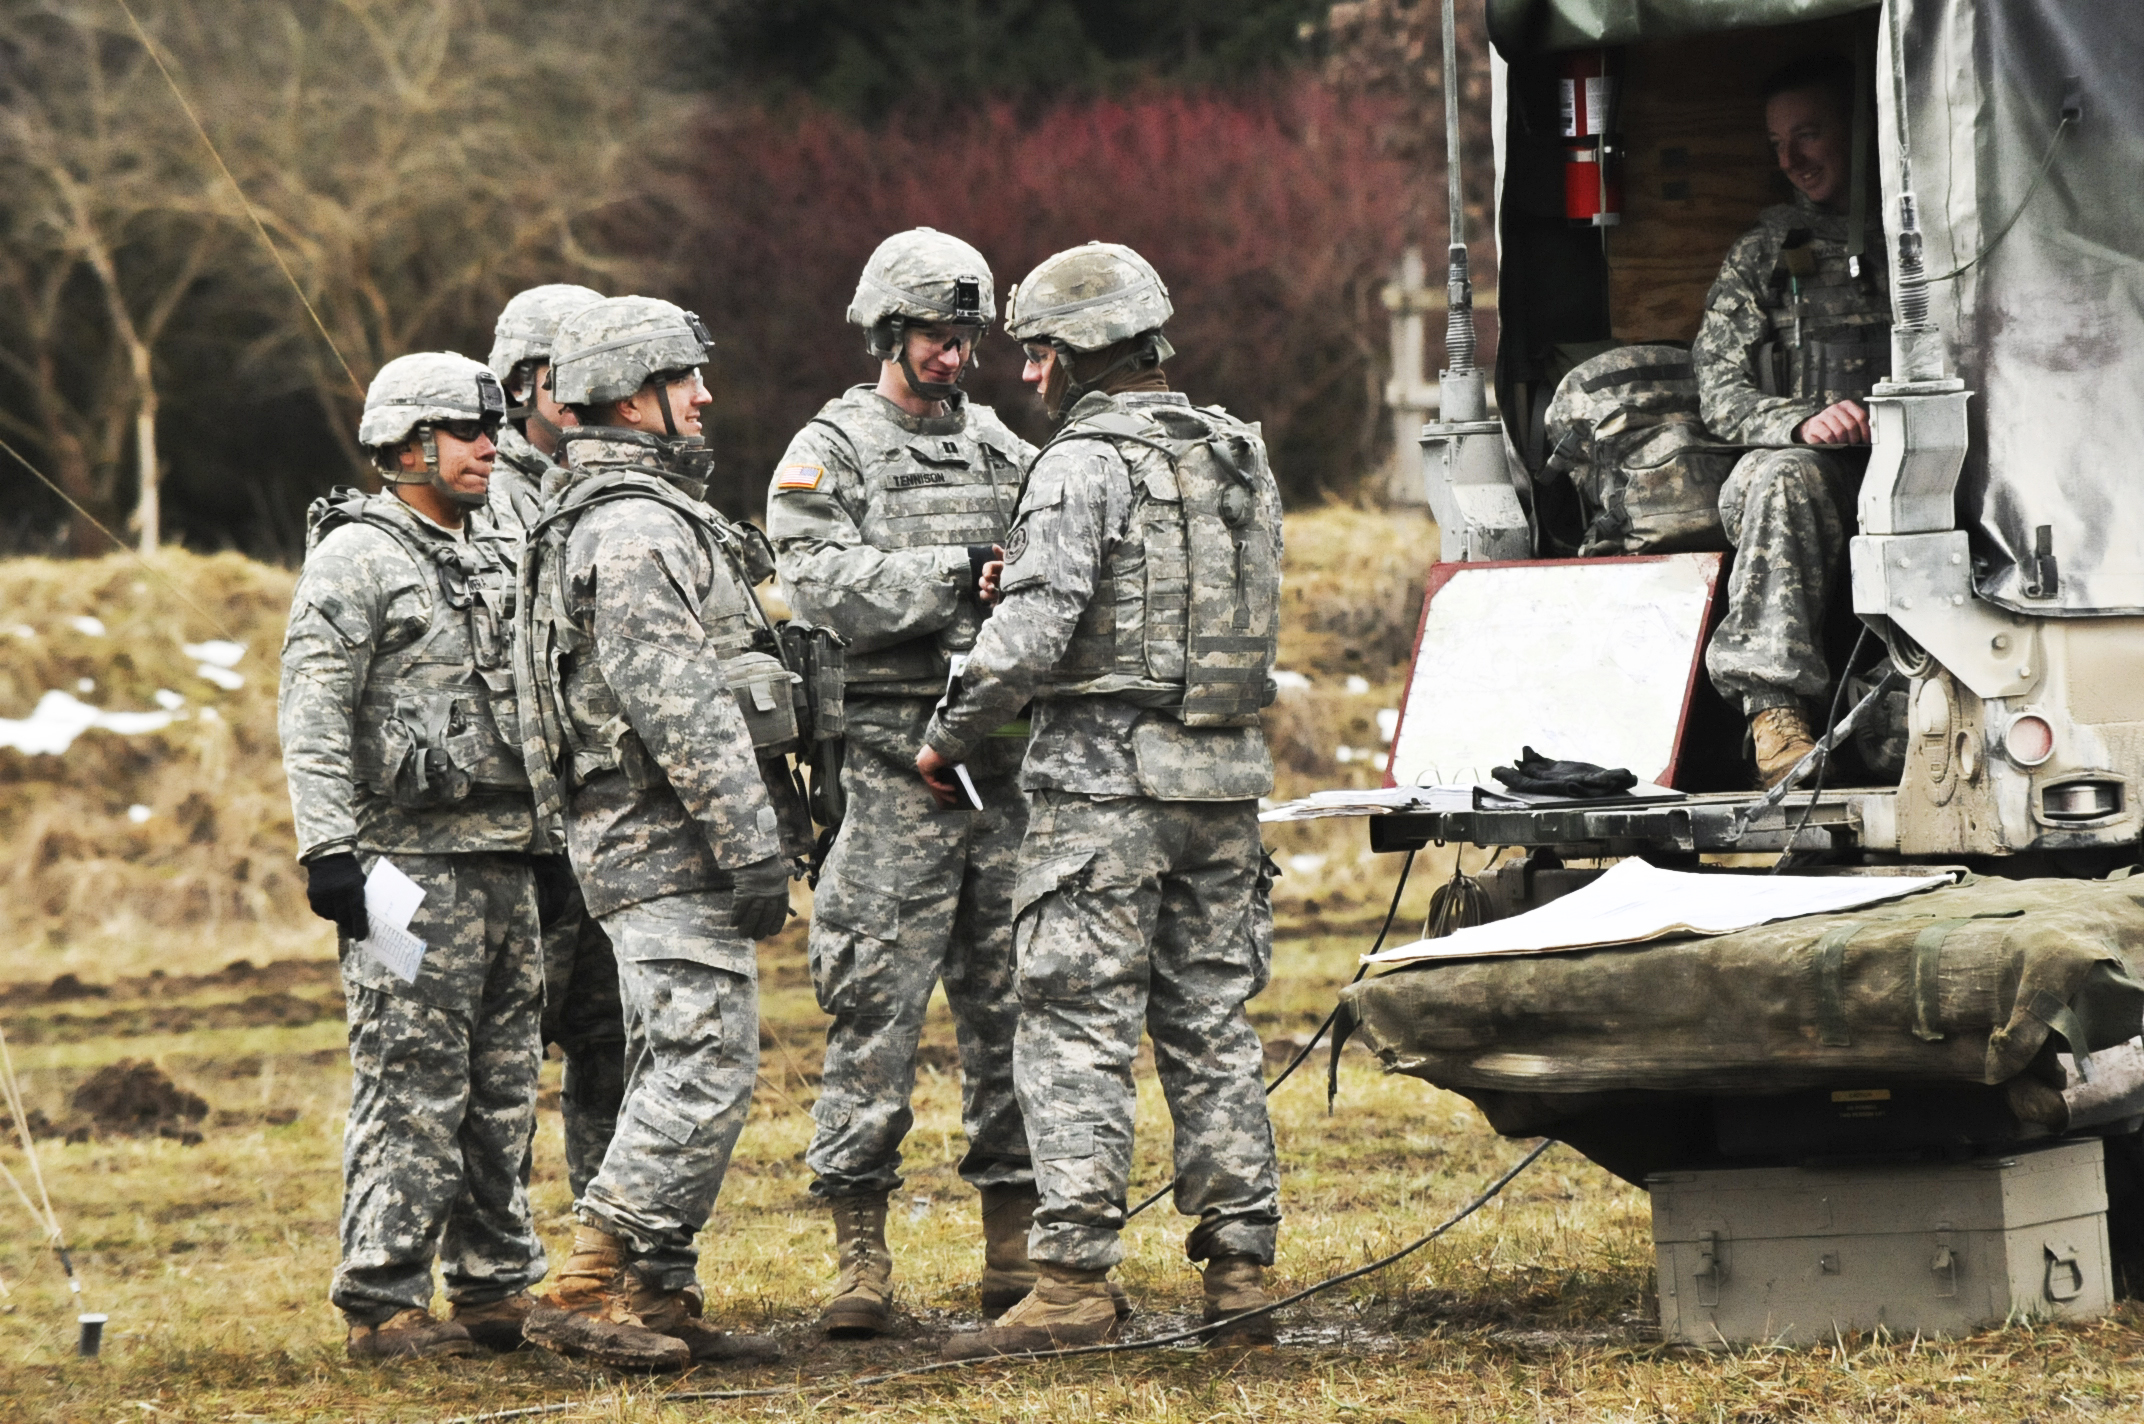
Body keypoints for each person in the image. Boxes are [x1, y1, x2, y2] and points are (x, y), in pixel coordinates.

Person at [919, 242, 1286, 1358]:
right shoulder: (1235, 455)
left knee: (1074, 1027)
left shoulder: (1078, 464)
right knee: (1213, 1025)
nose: (1028, 375)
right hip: (1221, 783)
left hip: (1100, 791)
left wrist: (946, 736)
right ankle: (1239, 1271)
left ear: (1079, 352)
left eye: (1037, 354)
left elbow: (1027, 638)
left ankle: (1070, 1281)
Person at [513, 295, 802, 1370]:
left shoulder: (625, 513)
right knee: (703, 1062)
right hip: (665, 842)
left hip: (656, 839)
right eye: (685, 381)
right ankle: (589, 1281)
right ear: (632, 397)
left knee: (666, 1059)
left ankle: (656, 1292)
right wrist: (752, 846)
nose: (704, 396)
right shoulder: (633, 529)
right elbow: (681, 711)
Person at [765, 228, 1041, 1337]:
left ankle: (1014, 1246)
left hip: (994, 774)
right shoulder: (828, 450)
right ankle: (858, 1254)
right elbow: (818, 583)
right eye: (934, 334)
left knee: (1012, 1010)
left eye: (965, 334)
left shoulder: (999, 449)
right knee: (869, 1015)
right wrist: (947, 575)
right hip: (882, 778)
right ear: (888, 331)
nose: (952, 354)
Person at [278, 352, 548, 1360]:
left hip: (508, 856)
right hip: (399, 868)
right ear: (408, 444)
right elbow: (310, 706)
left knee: (505, 1081)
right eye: (467, 432)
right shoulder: (358, 555)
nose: (490, 448)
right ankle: (383, 1299)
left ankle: (493, 1285)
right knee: (409, 1074)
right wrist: (328, 849)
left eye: (491, 429)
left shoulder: (496, 549)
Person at [1695, 54, 1892, 787]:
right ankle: (1772, 714)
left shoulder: (1927, 238)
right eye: (1777, 145)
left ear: (1861, 129)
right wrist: (1803, 420)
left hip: (1921, 465)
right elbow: (1717, 390)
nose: (1792, 160)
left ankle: (1892, 723)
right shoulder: (1766, 257)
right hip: (1811, 474)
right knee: (1783, 479)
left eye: (1808, 135)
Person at [485, 282, 629, 1203]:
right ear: (534, 382)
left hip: (607, 822)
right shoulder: (477, 500)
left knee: (615, 1050)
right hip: (511, 838)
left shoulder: (619, 494)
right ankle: (490, 1277)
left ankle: (610, 1257)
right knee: (497, 1064)